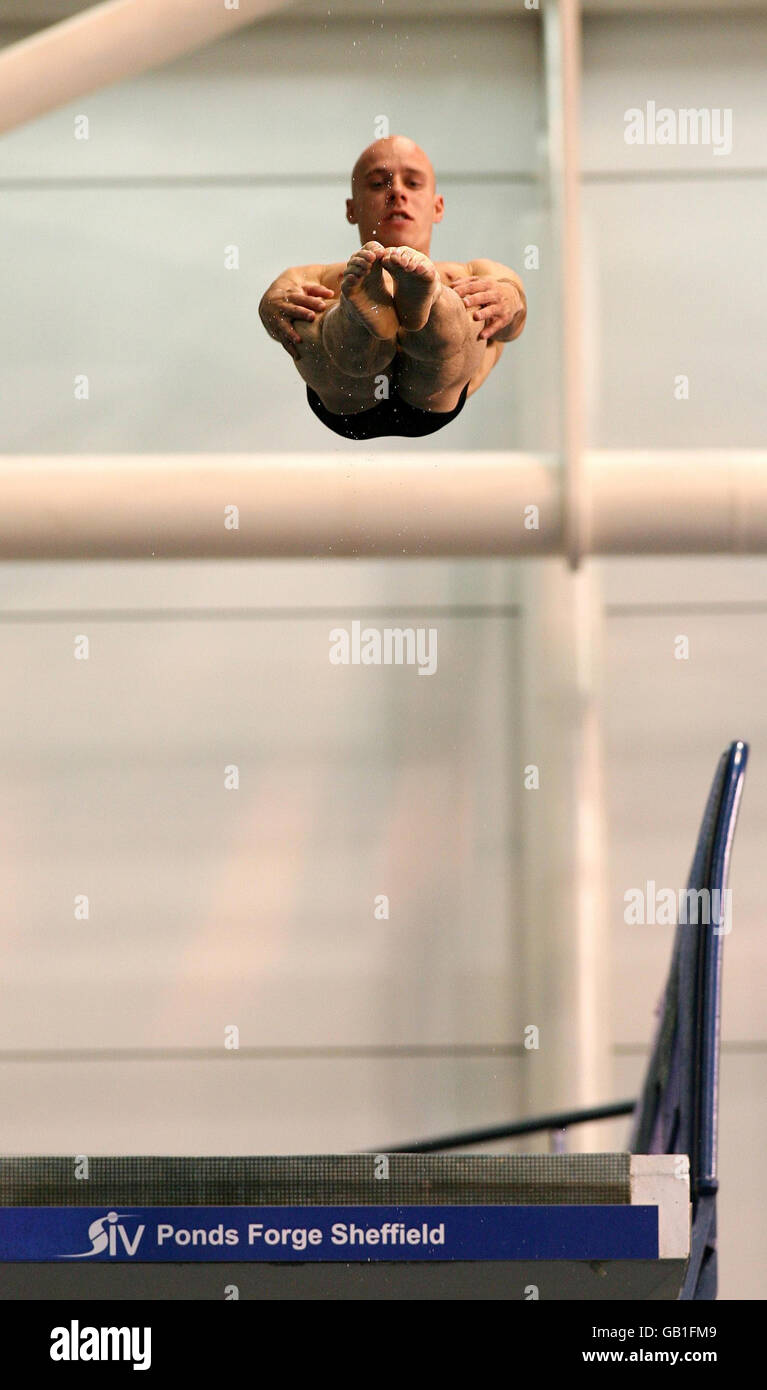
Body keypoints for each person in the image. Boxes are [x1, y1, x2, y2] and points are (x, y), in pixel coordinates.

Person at [258, 135, 527, 439]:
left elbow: (512, 322)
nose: (397, 191)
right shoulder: (316, 275)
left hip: (435, 393)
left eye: (412, 184)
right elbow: (277, 303)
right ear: (352, 208)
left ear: (437, 206)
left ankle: (427, 306)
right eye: (377, 184)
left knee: (471, 308)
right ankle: (361, 317)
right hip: (345, 391)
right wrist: (273, 307)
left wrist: (510, 300)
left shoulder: (472, 272)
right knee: (313, 311)